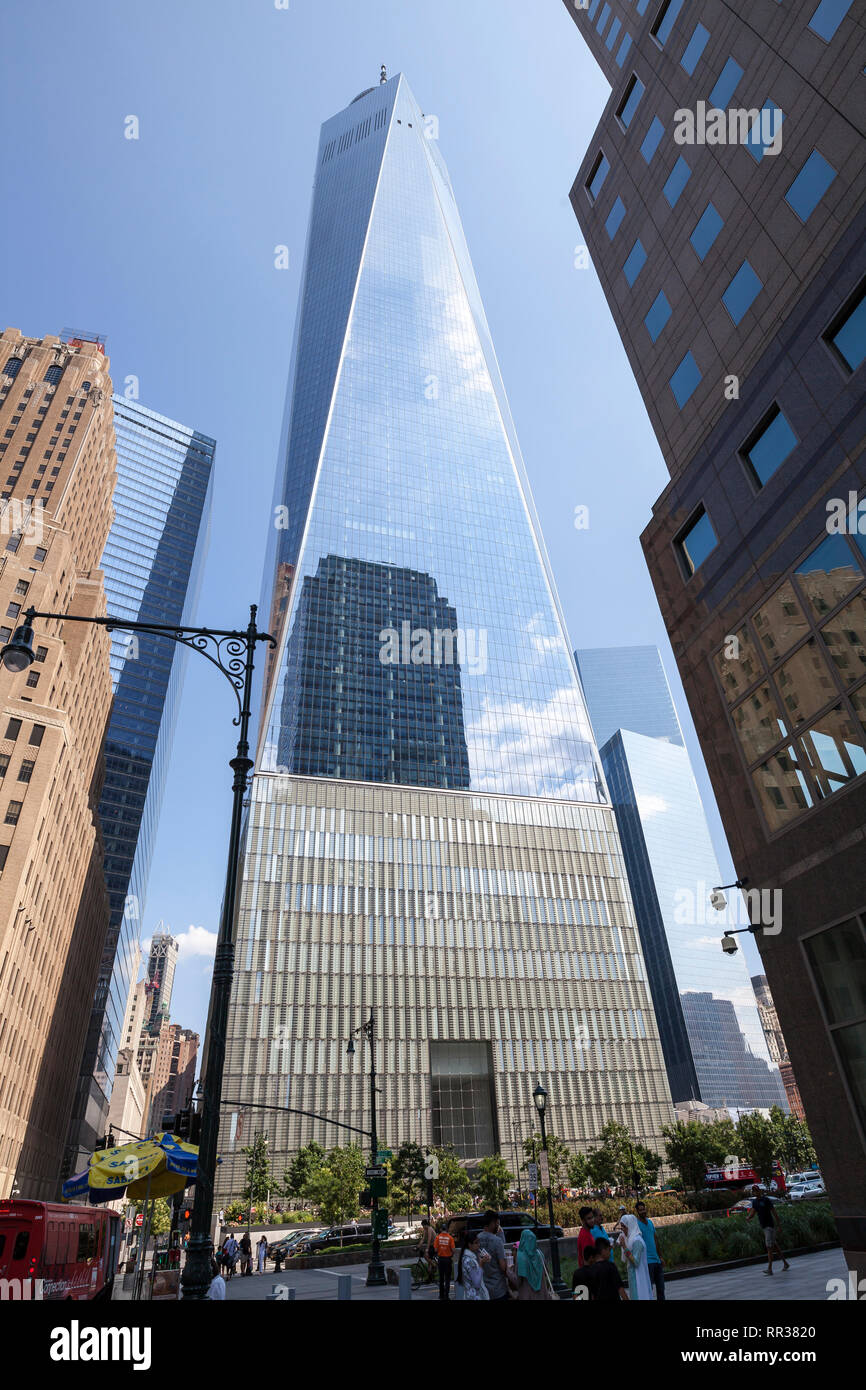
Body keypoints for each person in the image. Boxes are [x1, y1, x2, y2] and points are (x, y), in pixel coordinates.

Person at [746, 1184, 790, 1275]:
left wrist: (779, 1225)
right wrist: (748, 1218)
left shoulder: (766, 1200)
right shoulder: (755, 1202)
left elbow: (774, 1212)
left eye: (757, 1190)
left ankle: (770, 1269)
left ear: (760, 1191)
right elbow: (753, 1212)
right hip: (764, 1226)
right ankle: (785, 1263)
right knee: (774, 1247)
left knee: (769, 1248)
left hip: (769, 1226)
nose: (755, 1192)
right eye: (754, 1191)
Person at [617, 1214, 652, 1301]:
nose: (623, 1230)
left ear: (630, 1226)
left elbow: (636, 1262)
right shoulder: (631, 1240)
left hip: (639, 1277)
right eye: (621, 1227)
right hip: (634, 1276)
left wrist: (625, 1247)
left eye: (624, 1227)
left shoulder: (637, 1241)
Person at [476, 1211, 509, 1301]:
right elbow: (503, 1267)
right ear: (492, 1223)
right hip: (498, 1289)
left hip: (483, 1288)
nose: (498, 1226)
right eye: (497, 1223)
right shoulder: (497, 1241)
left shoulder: (476, 1239)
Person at [634, 1201, 664, 1300]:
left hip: (656, 1260)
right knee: (648, 1289)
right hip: (647, 1262)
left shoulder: (650, 1222)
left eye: (644, 1209)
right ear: (637, 1211)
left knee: (661, 1289)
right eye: (640, 1210)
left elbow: (655, 1239)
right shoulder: (637, 1225)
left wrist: (660, 1257)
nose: (643, 1211)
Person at [515, 1228, 553, 1300]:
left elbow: (518, 1280)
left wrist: (507, 1271)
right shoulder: (539, 1254)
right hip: (542, 1295)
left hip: (527, 1296)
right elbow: (546, 1272)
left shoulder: (520, 1257)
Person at [457, 1231, 490, 1301]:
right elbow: (477, 1283)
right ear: (469, 1244)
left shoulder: (466, 1257)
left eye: (478, 1242)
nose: (478, 1244)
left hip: (470, 1295)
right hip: (475, 1296)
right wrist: (481, 1264)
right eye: (476, 1243)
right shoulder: (469, 1260)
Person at [433, 1224, 456, 1301]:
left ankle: (441, 1295)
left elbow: (435, 1250)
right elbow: (453, 1250)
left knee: (441, 1278)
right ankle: (446, 1296)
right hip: (448, 1259)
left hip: (441, 1259)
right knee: (448, 1278)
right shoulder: (450, 1238)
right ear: (447, 1229)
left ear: (441, 1229)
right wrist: (450, 1254)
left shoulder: (437, 1237)